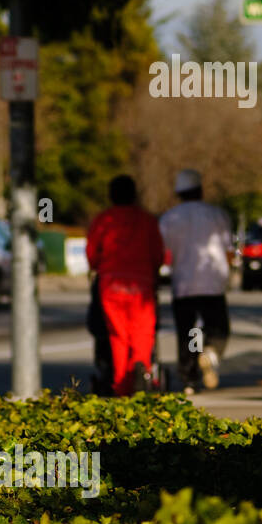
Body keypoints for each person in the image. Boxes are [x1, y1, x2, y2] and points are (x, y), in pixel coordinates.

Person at [86, 175, 165, 396]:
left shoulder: (103, 220)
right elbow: (158, 255)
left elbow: (92, 255)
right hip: (141, 284)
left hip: (111, 284)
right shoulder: (147, 221)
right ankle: (141, 367)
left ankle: (121, 383)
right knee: (142, 332)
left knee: (118, 336)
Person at [160, 169, 233, 394]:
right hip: (213, 282)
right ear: (200, 190)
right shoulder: (217, 214)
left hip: (183, 283)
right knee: (218, 328)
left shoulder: (169, 218)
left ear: (178, 193)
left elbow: (163, 253)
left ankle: (189, 380)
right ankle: (210, 351)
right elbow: (229, 250)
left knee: (188, 332)